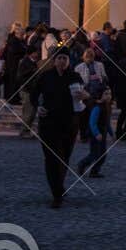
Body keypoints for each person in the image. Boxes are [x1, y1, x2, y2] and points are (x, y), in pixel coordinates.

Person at [33, 50, 84, 208]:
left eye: (65, 58)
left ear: (69, 61)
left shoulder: (75, 76)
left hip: (69, 123)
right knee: (51, 158)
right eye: (59, 58)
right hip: (48, 123)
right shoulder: (45, 76)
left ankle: (59, 186)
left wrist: (83, 96)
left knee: (64, 157)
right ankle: (56, 194)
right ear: (54, 60)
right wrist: (38, 107)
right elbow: (33, 94)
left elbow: (83, 95)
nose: (62, 61)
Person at [77, 78, 112, 179]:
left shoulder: (106, 106)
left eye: (110, 94)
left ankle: (94, 171)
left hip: (103, 133)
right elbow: (92, 123)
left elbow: (107, 121)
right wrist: (96, 133)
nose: (109, 96)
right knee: (94, 154)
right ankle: (82, 164)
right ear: (100, 95)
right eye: (106, 94)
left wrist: (111, 132)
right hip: (95, 134)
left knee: (103, 154)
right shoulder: (97, 107)